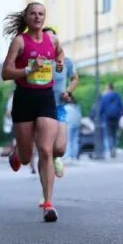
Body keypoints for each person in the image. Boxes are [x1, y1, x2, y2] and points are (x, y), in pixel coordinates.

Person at [2, 2, 65, 222]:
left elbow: (60, 53)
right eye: (33, 14)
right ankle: (18, 153)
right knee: (28, 157)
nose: (37, 17)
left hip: (46, 98)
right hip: (25, 98)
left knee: (46, 150)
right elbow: (6, 72)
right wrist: (29, 69)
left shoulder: (52, 40)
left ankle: (48, 204)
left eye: (41, 14)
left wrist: (59, 62)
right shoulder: (20, 41)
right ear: (27, 17)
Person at [45, 26, 78, 177]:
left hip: (59, 107)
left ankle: (55, 157)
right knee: (44, 148)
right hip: (41, 108)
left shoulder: (66, 62)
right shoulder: (37, 61)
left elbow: (75, 78)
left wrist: (68, 91)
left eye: (53, 37)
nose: (51, 40)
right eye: (47, 37)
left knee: (60, 148)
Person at [98, 83, 123, 158]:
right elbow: (122, 107)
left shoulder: (105, 97)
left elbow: (101, 108)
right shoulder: (117, 96)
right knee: (115, 133)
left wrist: (100, 117)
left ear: (108, 88)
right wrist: (120, 115)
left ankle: (111, 148)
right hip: (116, 118)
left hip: (107, 118)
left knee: (109, 134)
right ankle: (114, 147)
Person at [63, 93, 82, 161]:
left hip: (69, 124)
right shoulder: (77, 107)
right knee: (75, 140)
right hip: (77, 124)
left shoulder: (66, 107)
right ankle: (74, 156)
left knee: (69, 140)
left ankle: (68, 156)